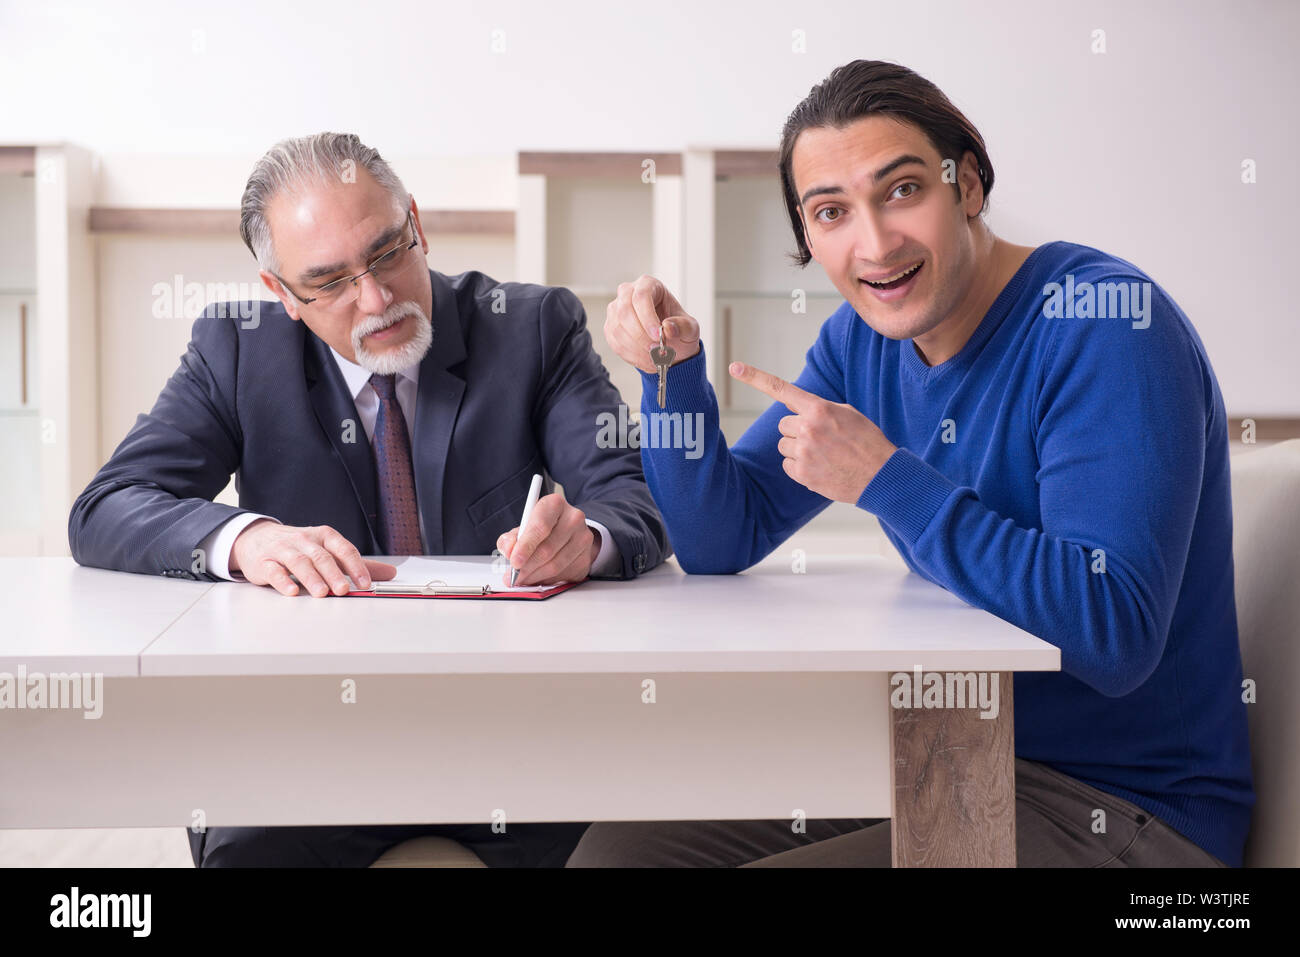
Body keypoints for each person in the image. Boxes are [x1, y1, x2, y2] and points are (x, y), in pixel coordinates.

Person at [582, 59, 1253, 867]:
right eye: (831, 212)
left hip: (1129, 814)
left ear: (966, 184)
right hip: (950, 756)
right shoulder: (864, 342)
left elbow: (1113, 631)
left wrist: (886, 478)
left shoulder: (1108, 326)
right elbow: (722, 539)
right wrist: (670, 378)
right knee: (619, 852)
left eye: (902, 190)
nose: (875, 242)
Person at [69, 132, 670, 866]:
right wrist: (248, 539)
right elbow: (107, 504)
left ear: (417, 223)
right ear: (280, 294)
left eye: (388, 253)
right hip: (308, 743)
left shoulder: (531, 329)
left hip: (515, 734)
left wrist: (590, 539)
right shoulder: (237, 349)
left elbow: (634, 500)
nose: (377, 299)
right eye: (329, 282)